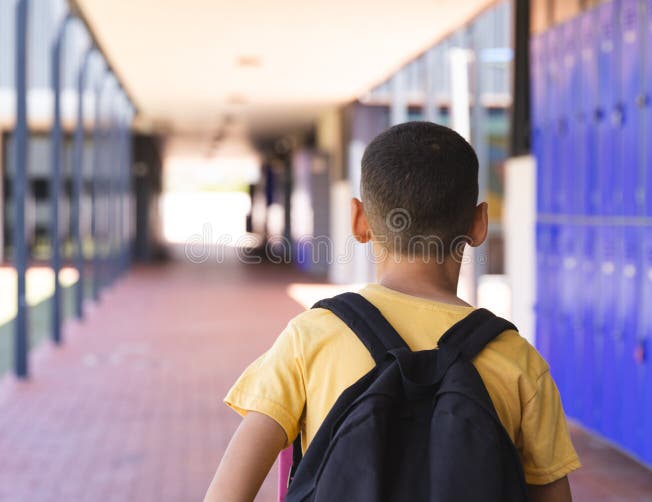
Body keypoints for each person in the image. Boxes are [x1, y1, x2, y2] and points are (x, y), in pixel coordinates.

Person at [205, 122, 580, 502]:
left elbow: (226, 494)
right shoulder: (519, 361)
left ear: (359, 221)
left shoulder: (312, 336)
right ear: (479, 223)